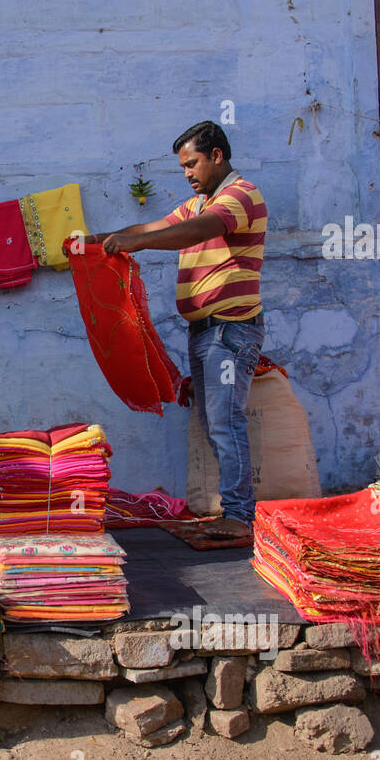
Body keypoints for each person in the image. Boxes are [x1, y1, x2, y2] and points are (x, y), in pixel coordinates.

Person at [90, 121, 267, 540]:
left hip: (230, 331)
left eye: (192, 164)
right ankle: (235, 511)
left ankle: (241, 518)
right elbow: (152, 229)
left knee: (226, 423)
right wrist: (97, 241)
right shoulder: (198, 203)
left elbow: (196, 232)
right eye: (183, 167)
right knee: (215, 424)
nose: (187, 173)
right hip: (207, 333)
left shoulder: (240, 196)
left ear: (217, 156)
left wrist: (140, 244)